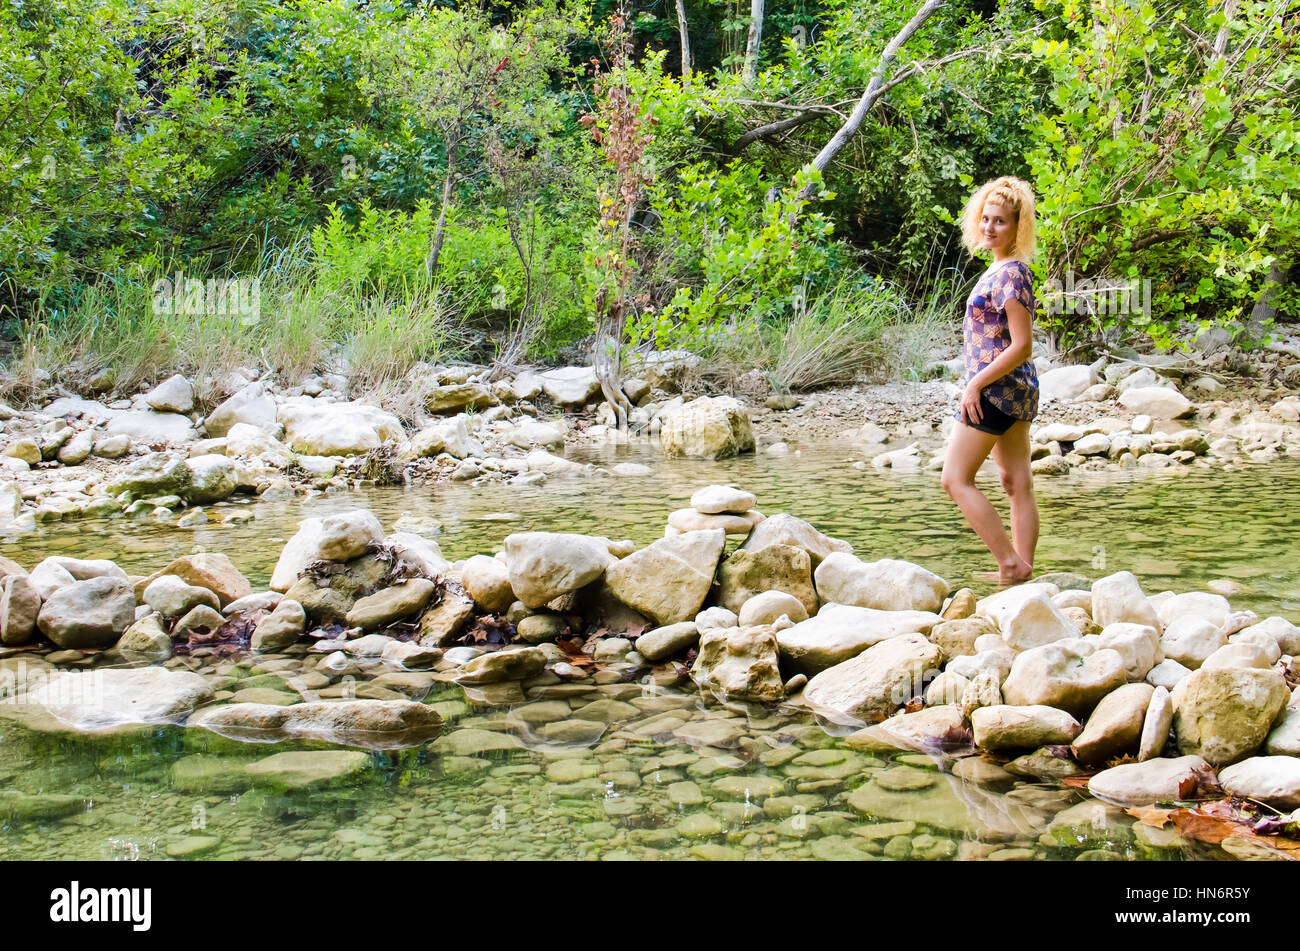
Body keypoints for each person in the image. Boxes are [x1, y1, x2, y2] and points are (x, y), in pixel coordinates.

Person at [941, 176, 1041, 585]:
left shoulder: (1012, 274)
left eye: (1000, 221)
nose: (989, 227)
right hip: (1016, 390)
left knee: (954, 479)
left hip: (997, 390)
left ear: (1018, 226)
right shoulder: (1000, 269)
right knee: (1016, 481)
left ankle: (1009, 563)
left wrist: (974, 385)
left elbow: (1022, 345)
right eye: (985, 218)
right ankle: (1022, 571)